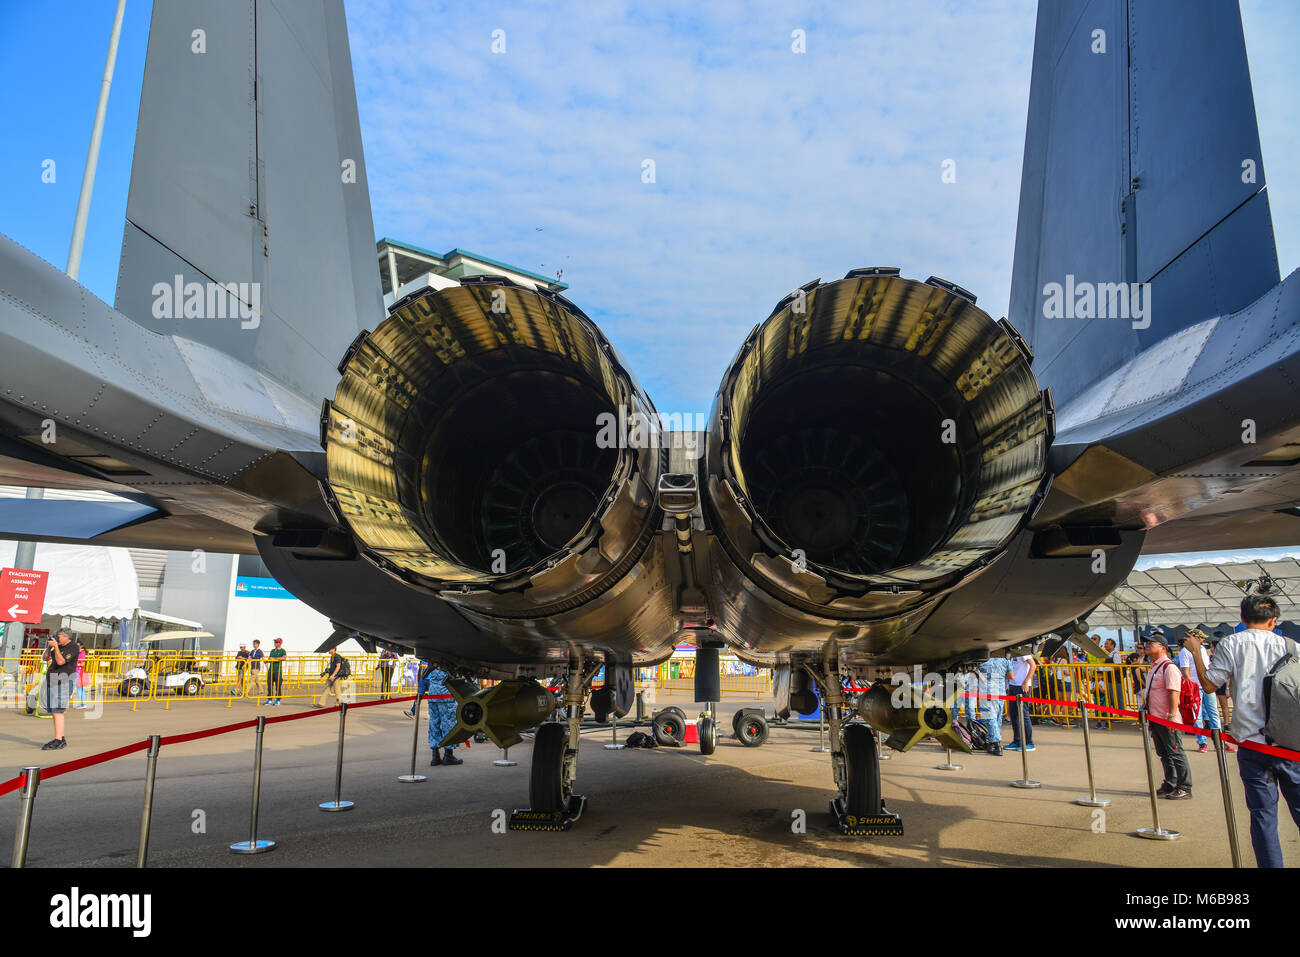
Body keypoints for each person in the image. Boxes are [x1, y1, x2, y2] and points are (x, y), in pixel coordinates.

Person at [1185, 595, 1300, 868]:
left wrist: (1196, 653)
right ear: (1274, 620)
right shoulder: (1292, 646)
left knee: (1262, 816)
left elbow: (1211, 685)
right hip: (1289, 743)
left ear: (1242, 618)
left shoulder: (1230, 644)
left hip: (1251, 743)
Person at [1140, 629, 1191, 799]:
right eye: (1146, 643)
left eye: (1150, 643)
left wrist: (1171, 716)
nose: (1146, 645)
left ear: (1162, 647)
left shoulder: (1169, 667)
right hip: (1156, 718)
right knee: (1164, 753)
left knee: (1176, 753)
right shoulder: (1155, 666)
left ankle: (1185, 786)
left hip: (1167, 719)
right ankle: (1170, 783)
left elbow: (1173, 692)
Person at [1180, 629, 1230, 754]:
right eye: (1201, 638)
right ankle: (1202, 742)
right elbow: (1185, 672)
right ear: (1195, 638)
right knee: (1198, 716)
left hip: (1206, 686)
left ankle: (1220, 741)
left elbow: (1206, 667)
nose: (1203, 640)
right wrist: (1192, 688)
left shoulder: (1202, 650)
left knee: (1214, 714)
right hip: (1195, 688)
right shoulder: (1185, 652)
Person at [40, 628, 80, 750]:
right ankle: (60, 738)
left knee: (58, 711)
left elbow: (61, 661)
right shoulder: (56, 646)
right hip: (53, 680)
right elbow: (45, 658)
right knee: (54, 710)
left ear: (66, 636)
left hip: (64, 681)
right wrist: (49, 647)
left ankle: (59, 740)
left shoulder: (72, 647)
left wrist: (56, 647)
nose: (57, 639)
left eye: (59, 637)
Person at [421, 664, 463, 766]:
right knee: (448, 724)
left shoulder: (433, 663)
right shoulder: (449, 662)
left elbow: (424, 676)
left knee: (434, 724)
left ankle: (435, 756)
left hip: (433, 695)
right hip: (446, 695)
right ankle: (448, 755)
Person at [977, 652, 1014, 755]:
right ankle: (992, 743)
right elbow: (1011, 675)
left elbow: (975, 675)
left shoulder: (981, 659)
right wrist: (1000, 676)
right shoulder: (1004, 660)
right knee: (997, 719)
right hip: (1000, 692)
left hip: (986, 692)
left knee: (990, 719)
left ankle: (997, 744)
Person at [1005, 653, 1036, 751]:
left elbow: (1033, 665)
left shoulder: (1024, 653)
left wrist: (1026, 682)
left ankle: (1029, 742)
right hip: (1013, 685)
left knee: (1024, 714)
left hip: (1022, 687)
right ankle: (1017, 740)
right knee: (1013, 715)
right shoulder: (1011, 654)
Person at [266, 638, 286, 705]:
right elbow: (270, 658)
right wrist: (267, 660)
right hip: (271, 670)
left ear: (280, 643)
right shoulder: (272, 651)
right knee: (269, 685)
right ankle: (269, 699)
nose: (275, 643)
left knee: (278, 685)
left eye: (276, 642)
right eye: (275, 642)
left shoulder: (283, 651)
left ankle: (278, 699)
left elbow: (284, 658)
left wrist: (275, 659)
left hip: (277, 670)